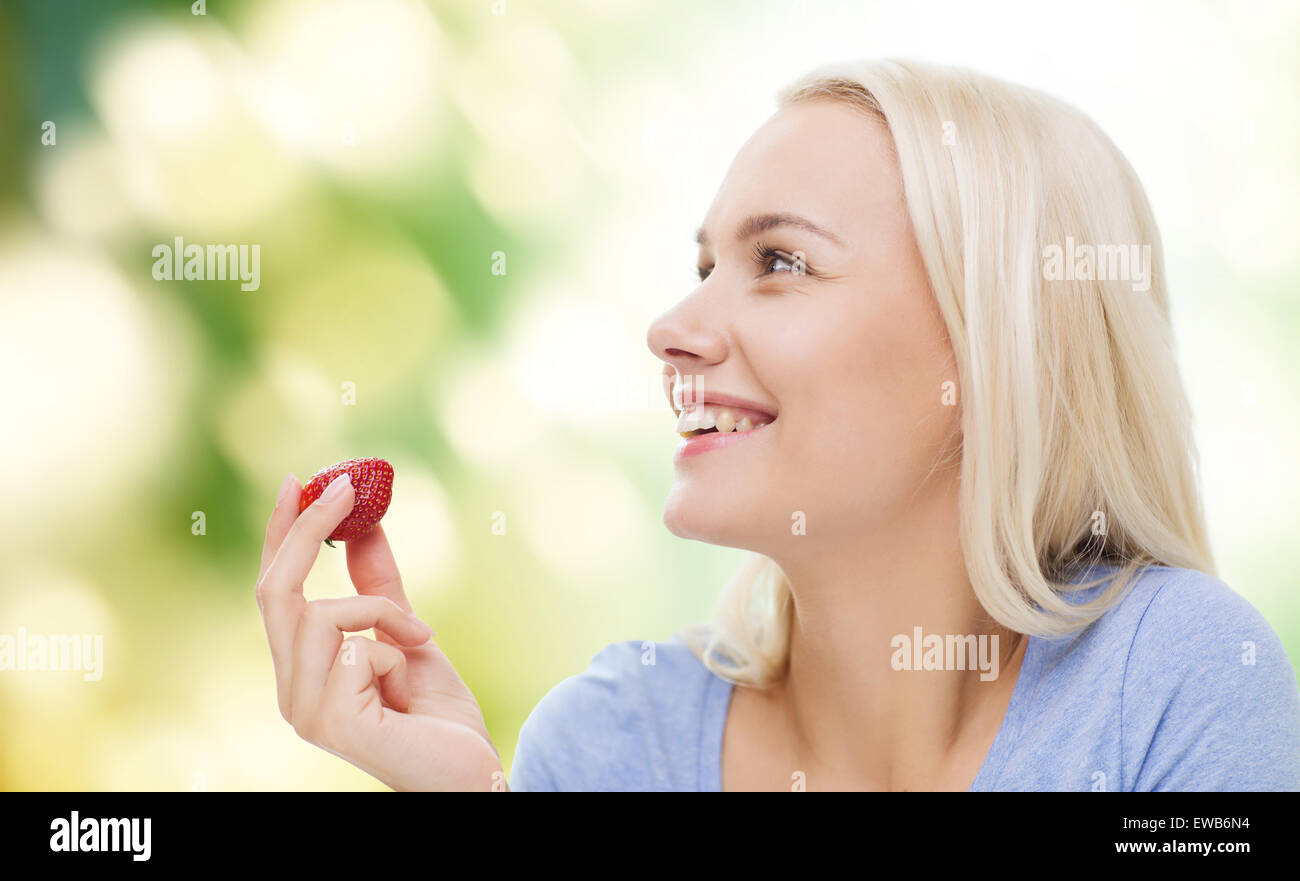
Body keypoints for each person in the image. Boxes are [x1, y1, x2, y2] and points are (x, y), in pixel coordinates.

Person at [254, 59, 1300, 791]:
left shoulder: (1170, 679)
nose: (671, 328)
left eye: (781, 262)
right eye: (706, 264)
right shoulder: (611, 739)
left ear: (996, 350)